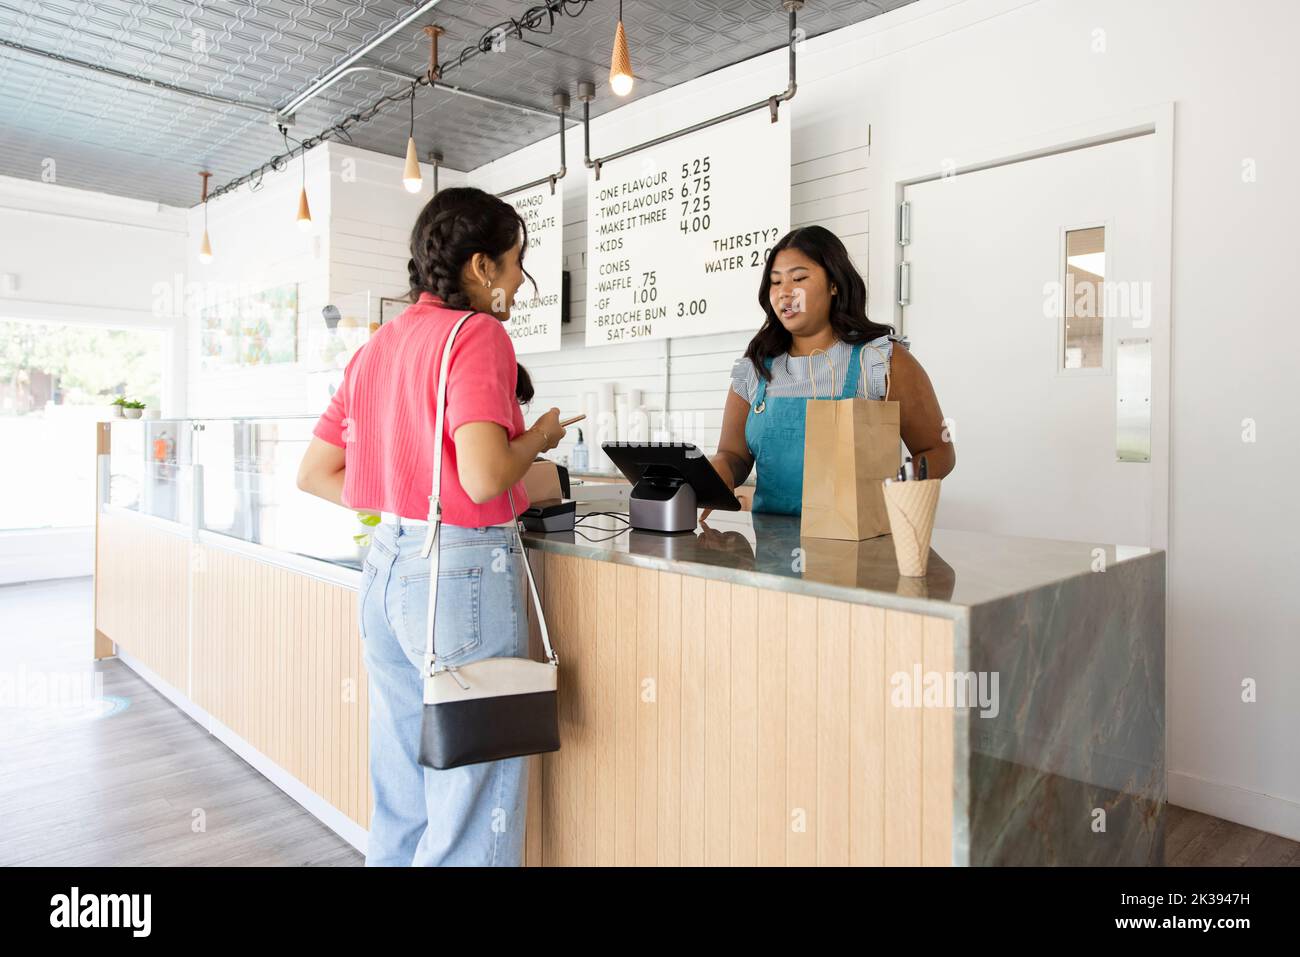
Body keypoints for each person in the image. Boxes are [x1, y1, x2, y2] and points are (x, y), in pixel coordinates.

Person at [296, 186, 566, 866]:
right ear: (480, 266)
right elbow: (482, 477)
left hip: (387, 567)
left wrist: (406, 496)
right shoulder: (478, 334)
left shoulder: (378, 346)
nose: (518, 283)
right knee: (475, 795)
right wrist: (538, 436)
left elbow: (317, 472)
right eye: (514, 264)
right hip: (462, 575)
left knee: (401, 781)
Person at [707, 224, 954, 516]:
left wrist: (893, 486)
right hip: (769, 552)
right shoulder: (755, 368)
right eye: (775, 282)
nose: (785, 292)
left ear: (834, 284)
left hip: (860, 550)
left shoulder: (881, 361)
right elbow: (734, 456)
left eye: (798, 278)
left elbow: (939, 452)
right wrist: (718, 471)